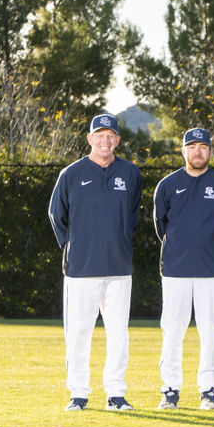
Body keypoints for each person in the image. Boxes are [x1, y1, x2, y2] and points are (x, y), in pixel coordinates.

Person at [49, 113, 143, 411]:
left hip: (118, 267)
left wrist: (117, 240)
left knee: (118, 333)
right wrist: (74, 246)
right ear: (90, 139)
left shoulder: (130, 173)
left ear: (117, 140)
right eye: (99, 135)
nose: (105, 140)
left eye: (111, 136)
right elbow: (56, 215)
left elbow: (133, 216)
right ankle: (78, 393)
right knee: (78, 333)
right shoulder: (71, 173)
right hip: (81, 270)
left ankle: (116, 393)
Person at [152, 127, 214, 410]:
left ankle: (208, 390)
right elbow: (160, 225)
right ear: (183, 151)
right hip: (175, 268)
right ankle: (170, 390)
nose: (197, 151)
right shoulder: (167, 184)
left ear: (211, 151)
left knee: (210, 332)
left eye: (203, 147)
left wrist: (209, 247)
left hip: (211, 269)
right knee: (173, 331)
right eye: (192, 147)